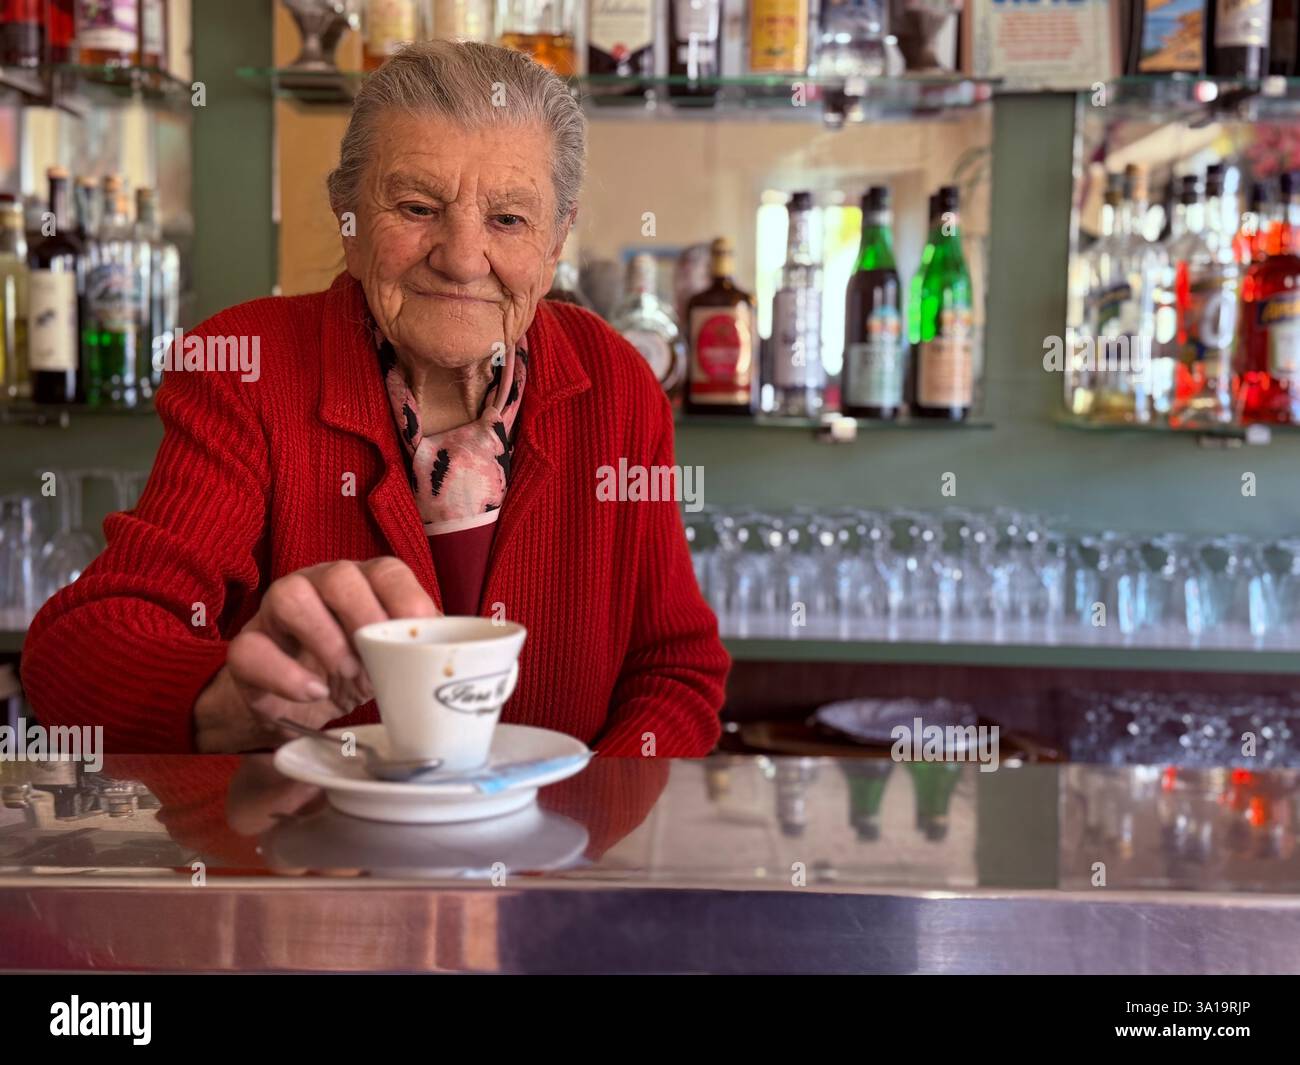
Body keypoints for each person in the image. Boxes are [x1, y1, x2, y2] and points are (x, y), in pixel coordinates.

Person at [22, 41, 728, 757]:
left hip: (553, 861)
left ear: (554, 245)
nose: (460, 256)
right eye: (417, 207)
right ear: (348, 221)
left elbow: (675, 670)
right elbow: (75, 657)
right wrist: (229, 703)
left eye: (509, 220)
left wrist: (575, 824)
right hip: (305, 860)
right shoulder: (247, 369)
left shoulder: (615, 380)